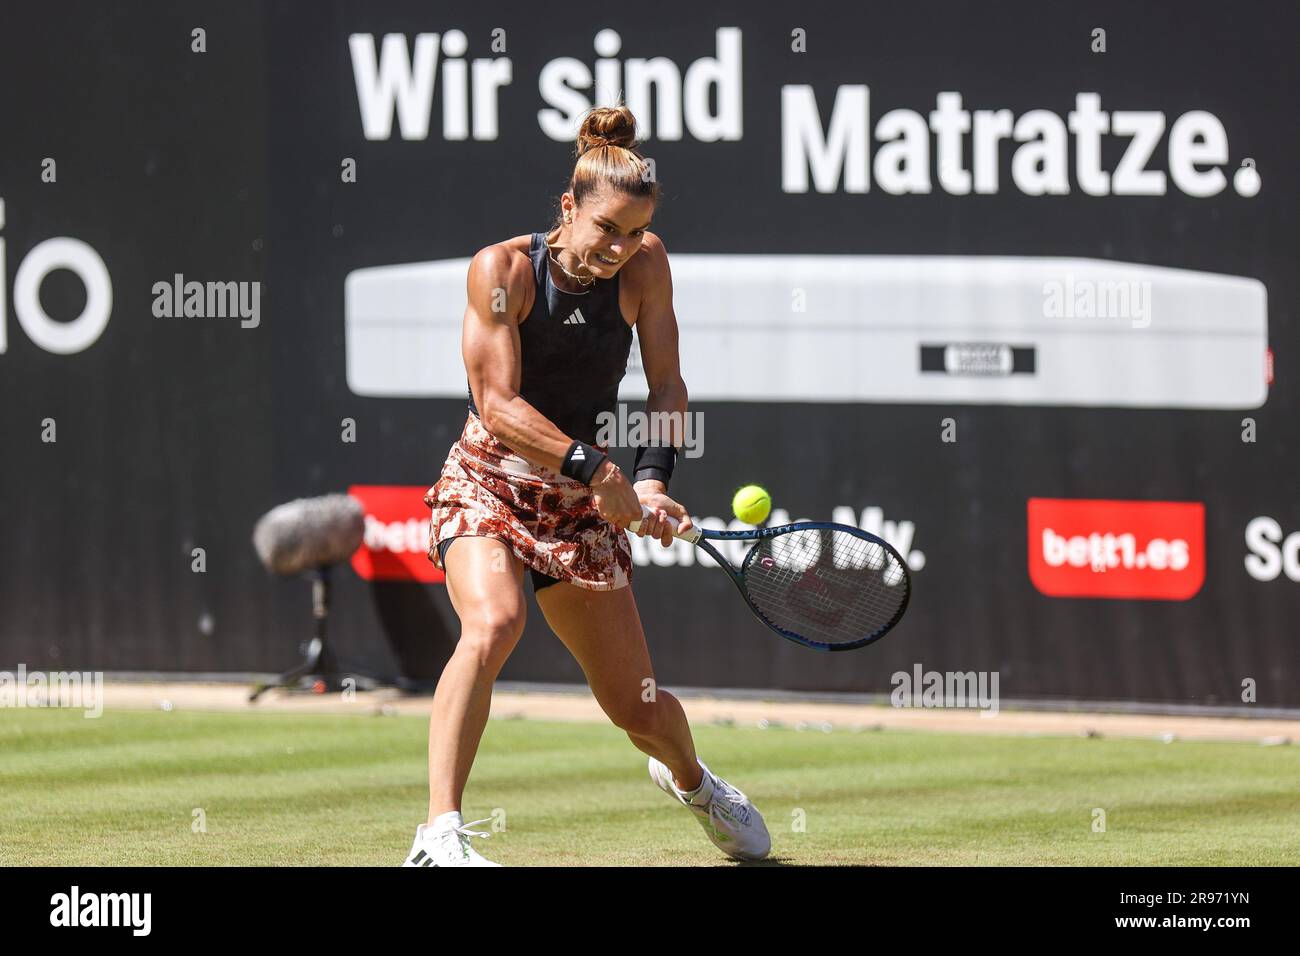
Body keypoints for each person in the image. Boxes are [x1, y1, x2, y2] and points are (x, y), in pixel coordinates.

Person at [402, 105, 770, 867]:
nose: (619, 248)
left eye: (634, 233)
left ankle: (694, 782)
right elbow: (498, 405)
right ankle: (438, 837)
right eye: (606, 228)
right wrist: (595, 469)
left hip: (576, 509)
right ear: (568, 208)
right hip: (490, 481)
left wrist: (653, 480)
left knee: (635, 707)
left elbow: (667, 390)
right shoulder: (500, 271)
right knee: (494, 624)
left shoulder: (646, 267)